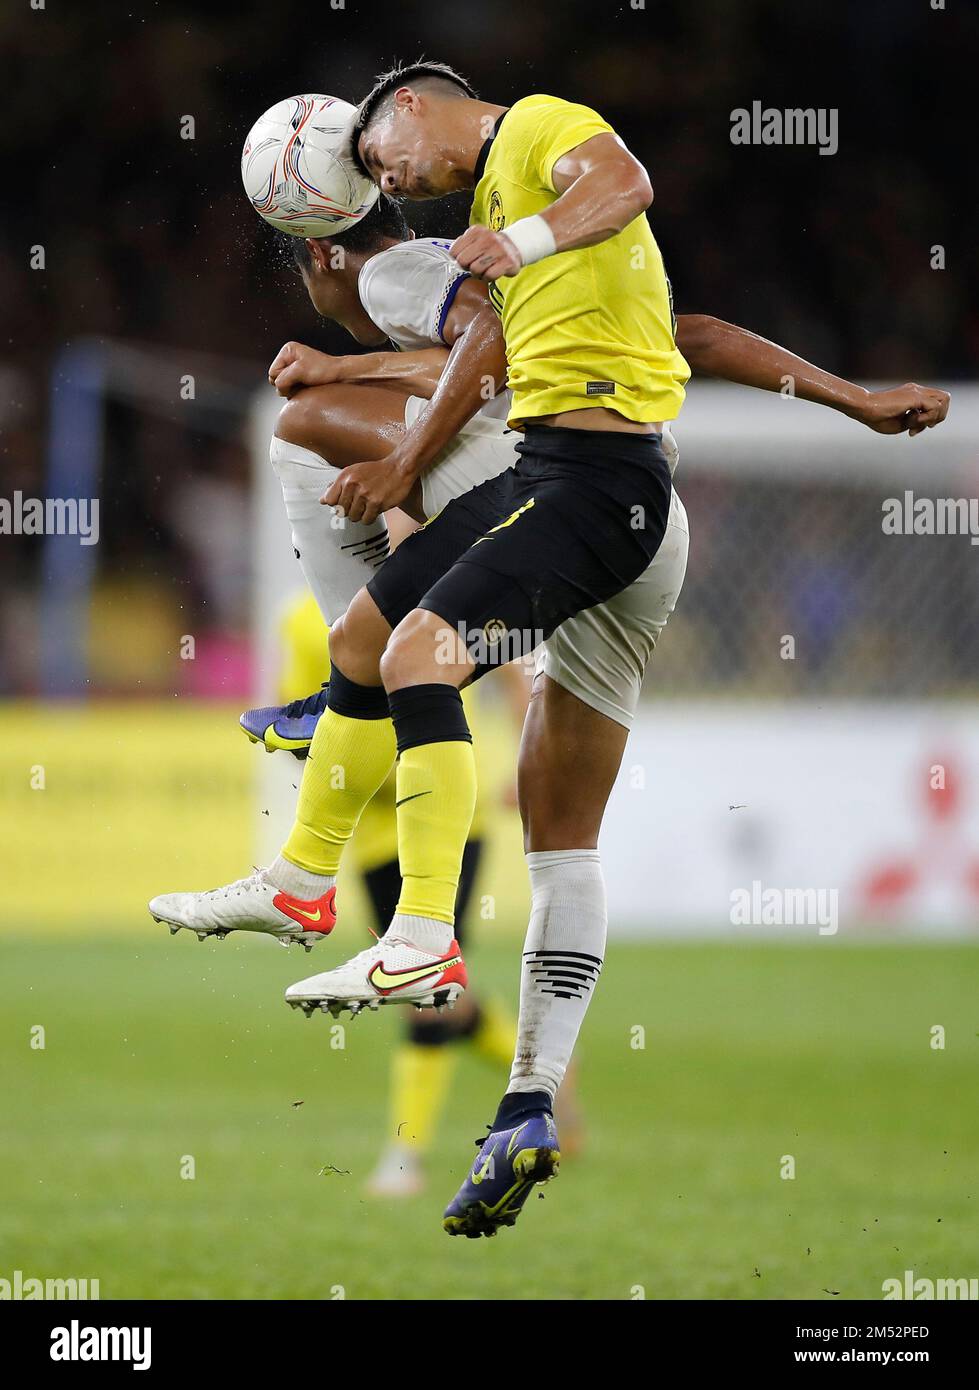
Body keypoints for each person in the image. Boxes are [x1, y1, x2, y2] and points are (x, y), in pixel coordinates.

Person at [152, 69, 950, 1234]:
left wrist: (491, 260)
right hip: (627, 520)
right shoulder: (567, 274)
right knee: (553, 829)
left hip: (585, 495)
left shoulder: (532, 140)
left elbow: (622, 180)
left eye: (380, 151)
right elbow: (698, 333)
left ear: (419, 102)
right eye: (365, 174)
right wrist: (850, 398)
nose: (384, 179)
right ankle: (524, 1099)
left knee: (395, 615)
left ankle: (411, 927)